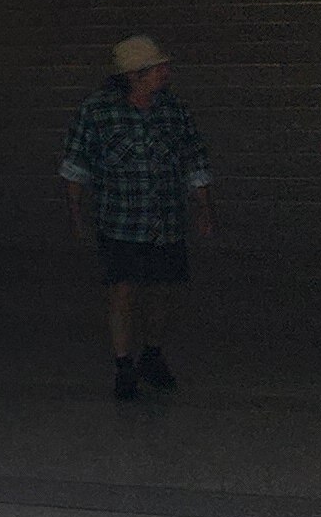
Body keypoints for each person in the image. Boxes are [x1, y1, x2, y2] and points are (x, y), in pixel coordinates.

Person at [61, 35, 213, 399]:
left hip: (166, 220)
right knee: (122, 292)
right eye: (159, 67)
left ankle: (153, 354)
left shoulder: (173, 109)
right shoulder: (97, 111)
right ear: (135, 74)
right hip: (120, 220)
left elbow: (194, 159)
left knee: (162, 291)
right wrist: (76, 214)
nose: (166, 72)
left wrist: (204, 208)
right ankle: (123, 363)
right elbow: (76, 165)